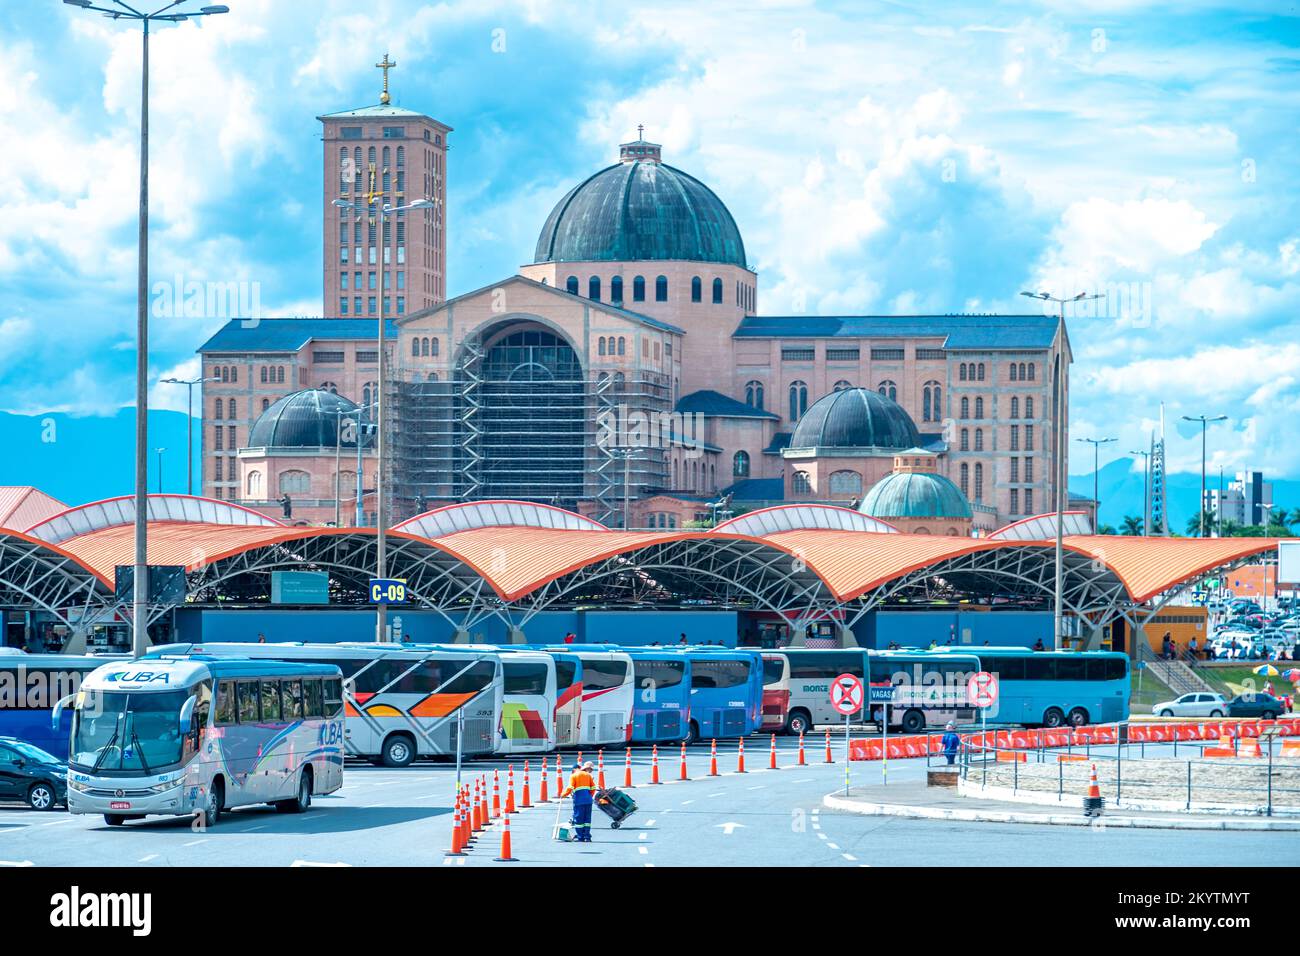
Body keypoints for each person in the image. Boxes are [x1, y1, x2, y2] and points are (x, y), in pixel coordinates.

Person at [561, 760, 598, 843]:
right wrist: (589, 796)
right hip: (588, 800)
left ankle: (580, 837)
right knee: (587, 819)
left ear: (574, 770)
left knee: (579, 819)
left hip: (579, 801)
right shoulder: (588, 775)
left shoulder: (573, 776)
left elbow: (569, 788)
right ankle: (587, 836)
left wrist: (563, 795)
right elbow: (593, 788)